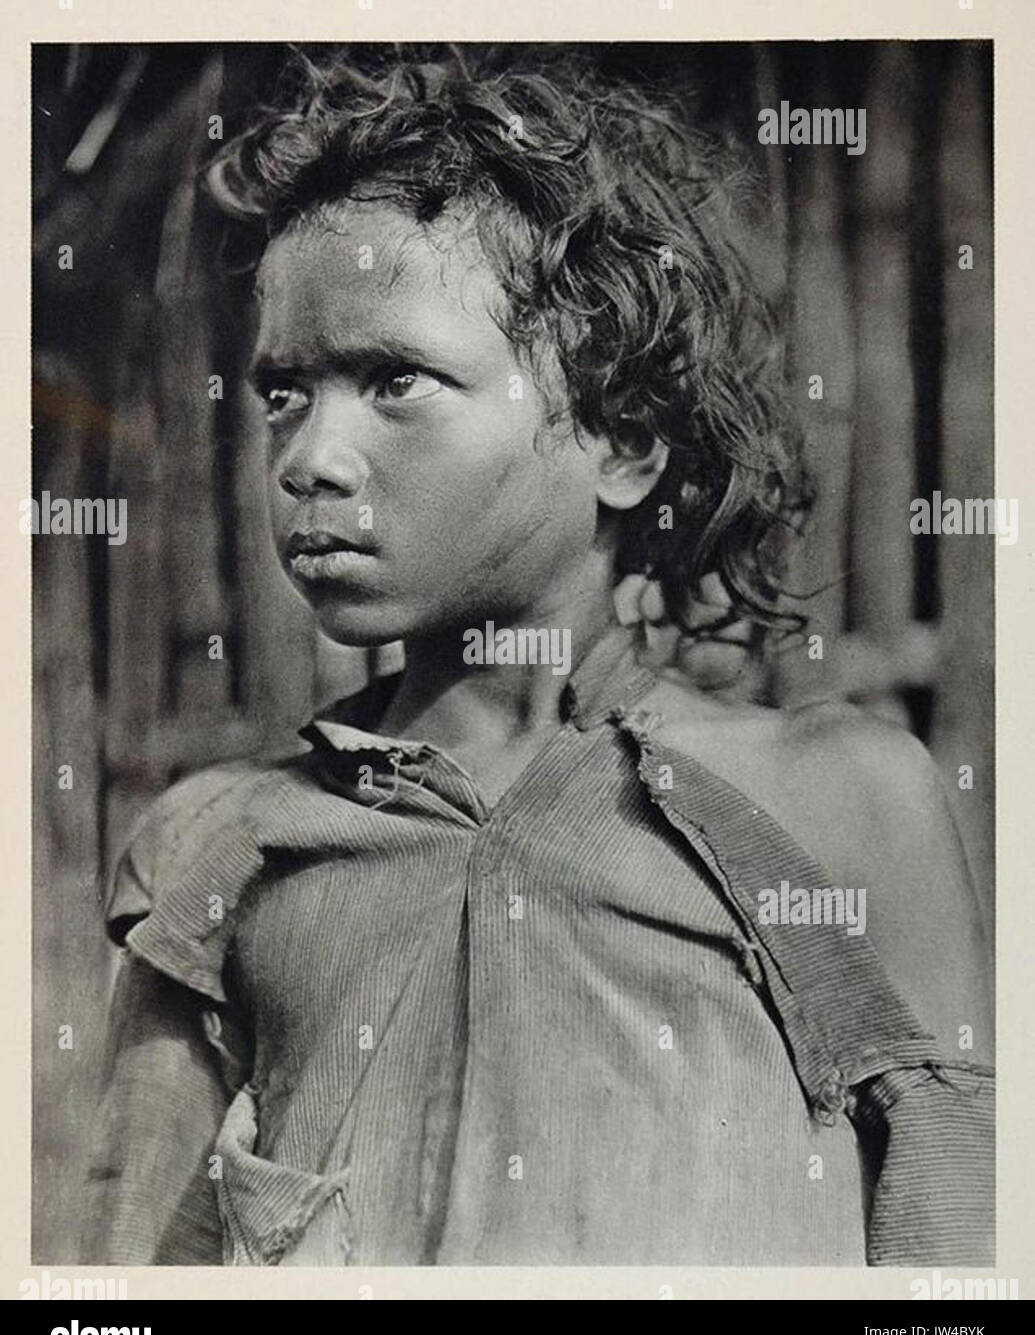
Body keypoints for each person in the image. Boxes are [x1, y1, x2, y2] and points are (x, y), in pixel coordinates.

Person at [82, 48, 993, 1266]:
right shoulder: (220, 846)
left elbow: (954, 1259)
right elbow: (110, 1298)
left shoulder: (838, 802)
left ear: (620, 439)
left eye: (395, 379)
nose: (309, 456)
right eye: (285, 391)